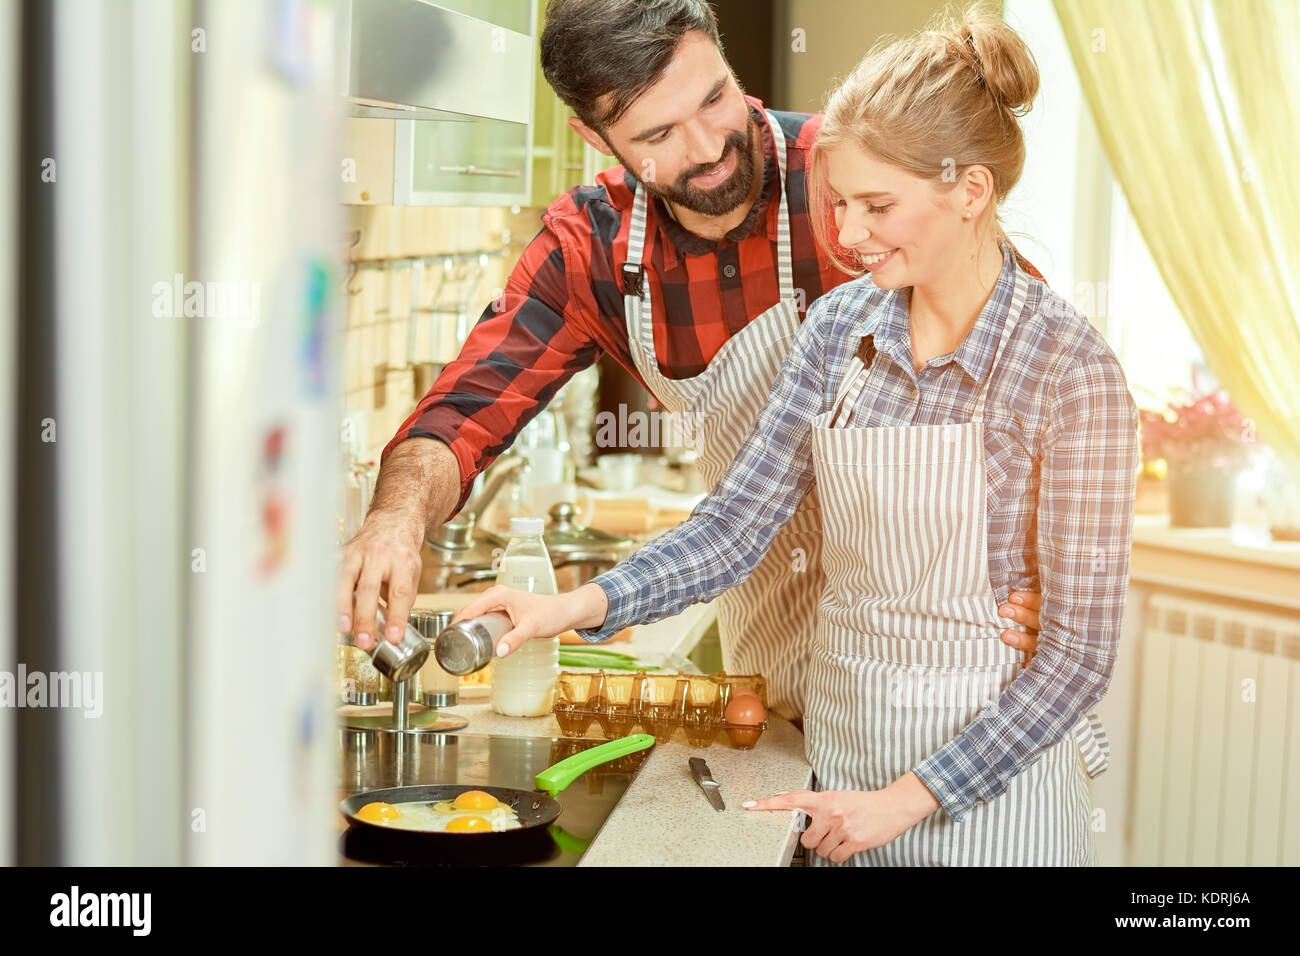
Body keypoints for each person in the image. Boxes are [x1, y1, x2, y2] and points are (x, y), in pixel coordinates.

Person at [453, 5, 1140, 866]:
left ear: (969, 191)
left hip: (990, 804)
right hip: (836, 771)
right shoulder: (840, 329)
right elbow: (738, 525)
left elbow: (1075, 660)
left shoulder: (1072, 374)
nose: (847, 238)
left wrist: (903, 804)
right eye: (839, 203)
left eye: (877, 206)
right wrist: (567, 609)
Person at [337, 0, 1047, 727]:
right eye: (658, 133)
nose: (709, 146)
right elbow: (468, 410)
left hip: (958, 666)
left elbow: (1033, 371)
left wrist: (1042, 568)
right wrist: (394, 518)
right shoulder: (593, 249)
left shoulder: (854, 180)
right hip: (773, 654)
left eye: (714, 98)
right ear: (595, 137)